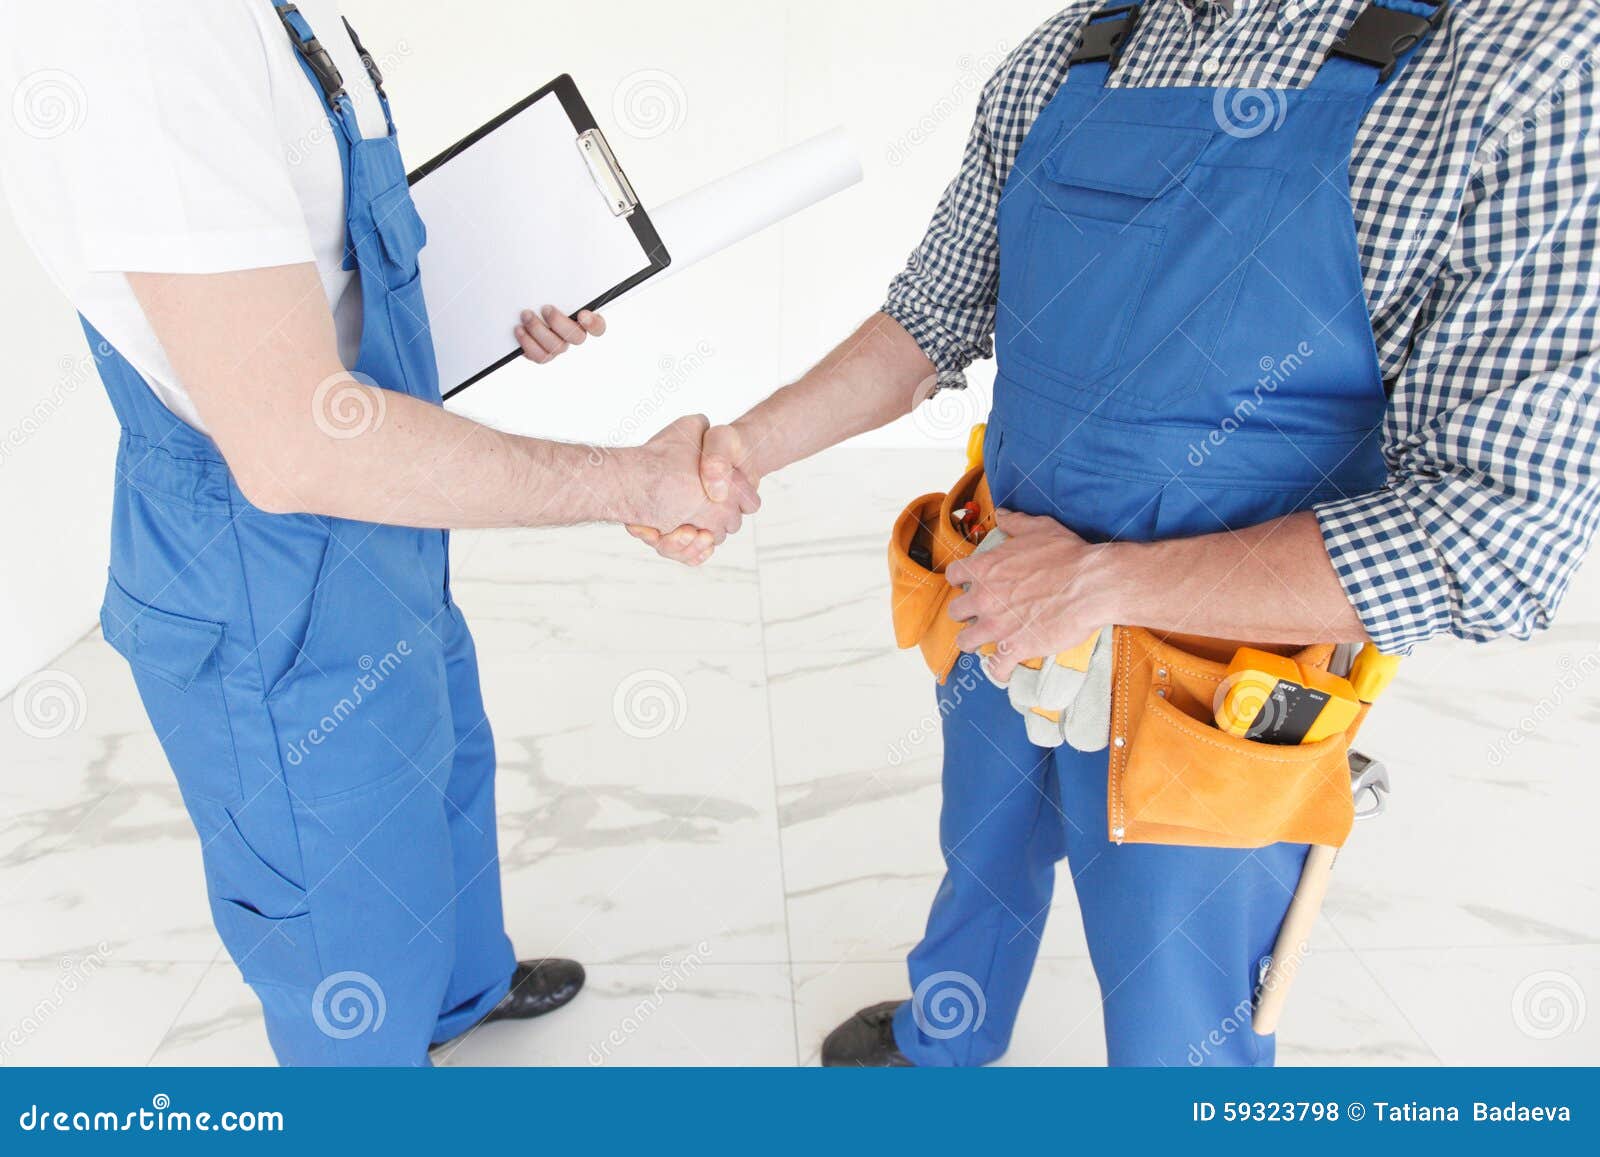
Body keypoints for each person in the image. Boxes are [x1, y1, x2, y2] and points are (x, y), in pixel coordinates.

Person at [638, 0, 1600, 1066]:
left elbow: (1497, 532)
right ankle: (942, 1038)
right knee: (983, 847)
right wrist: (737, 449)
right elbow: (934, 312)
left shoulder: (1516, 60)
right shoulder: (1073, 49)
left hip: (1217, 677)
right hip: (999, 598)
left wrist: (1102, 585)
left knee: (1180, 1013)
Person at [0, 0, 755, 1065]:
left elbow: (308, 261)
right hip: (270, 555)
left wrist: (489, 289)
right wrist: (626, 479)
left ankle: (456, 994)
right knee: (341, 896)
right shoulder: (144, 34)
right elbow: (293, 443)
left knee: (438, 764)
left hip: (380, 509)